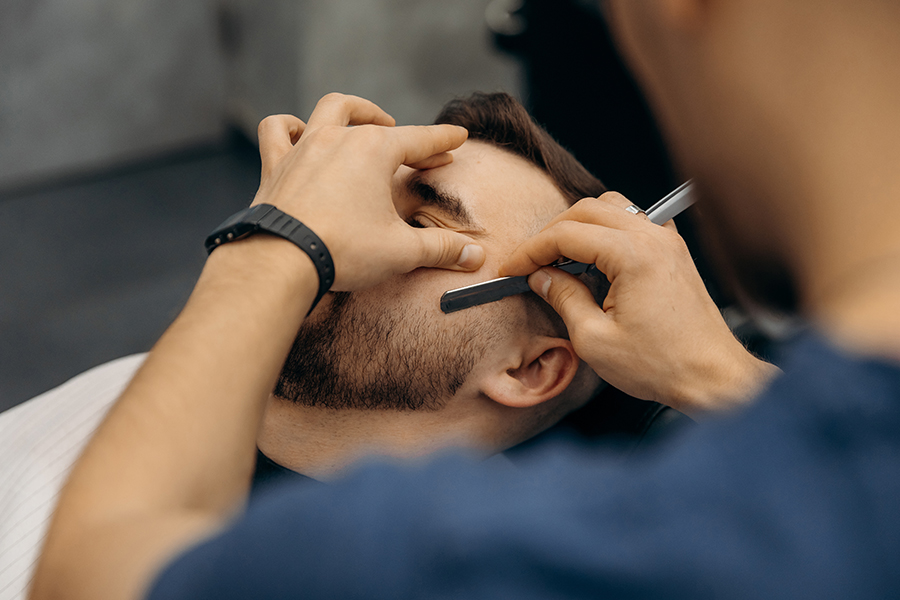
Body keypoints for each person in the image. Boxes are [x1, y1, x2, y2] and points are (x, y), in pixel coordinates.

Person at [34, 0, 900, 593]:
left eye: (428, 221)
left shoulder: (413, 561)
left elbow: (89, 575)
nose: (344, 230)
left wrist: (273, 241)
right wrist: (718, 371)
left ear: (532, 367)